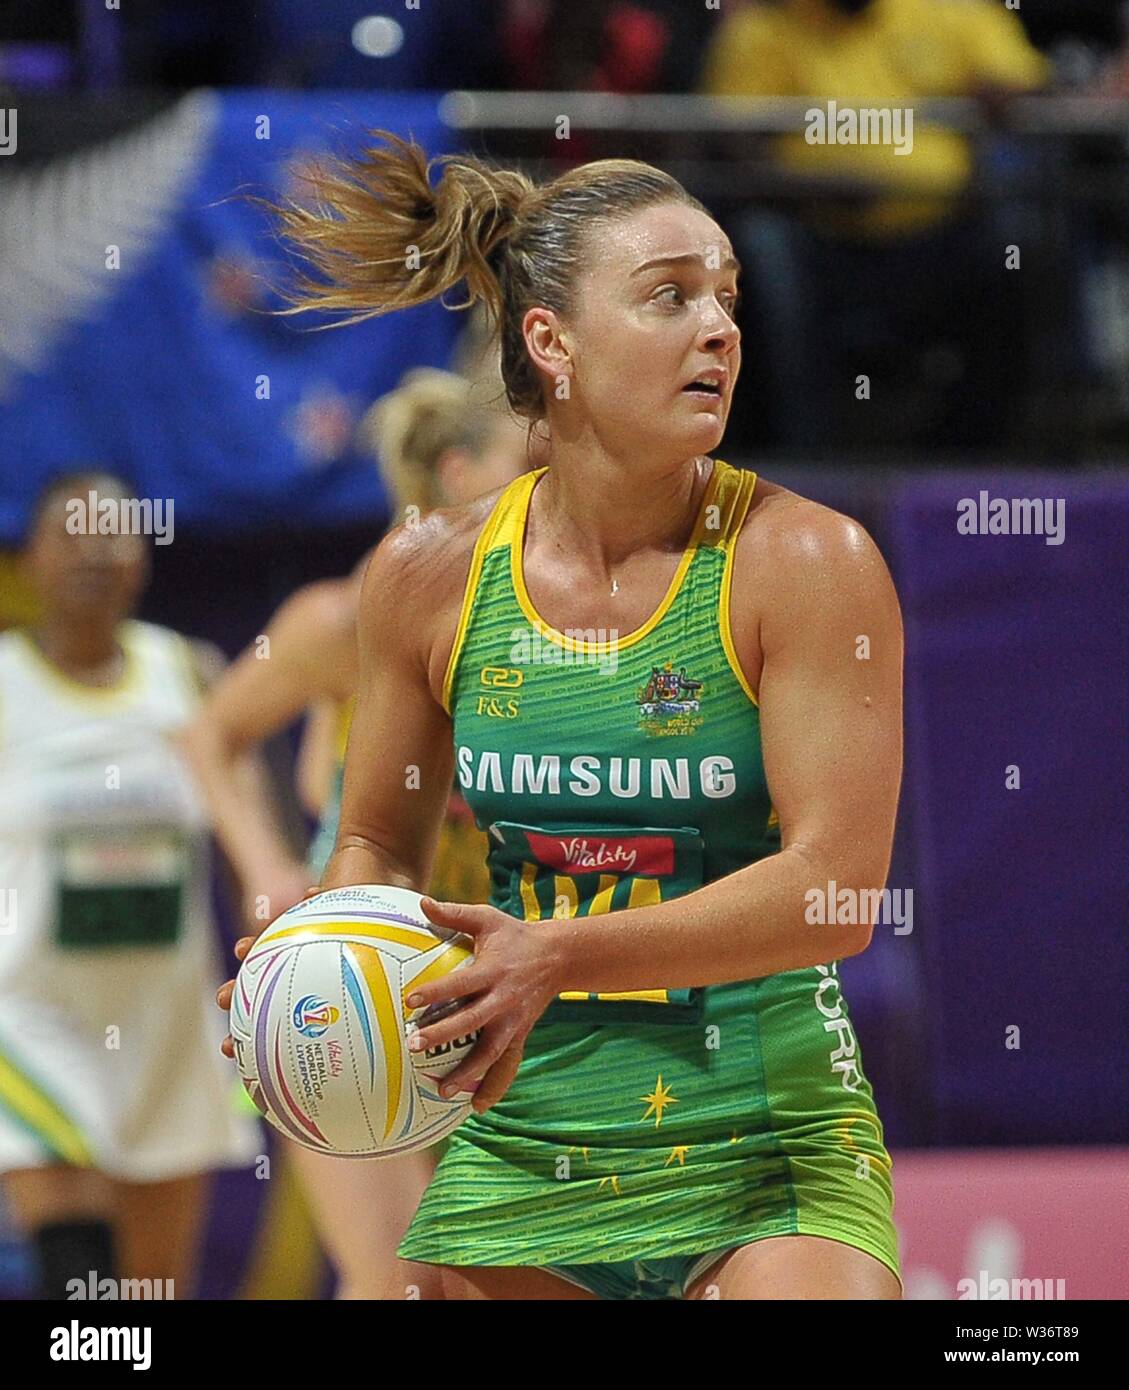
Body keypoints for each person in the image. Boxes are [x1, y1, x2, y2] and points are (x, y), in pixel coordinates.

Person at [221, 131, 905, 1300]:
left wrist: (557, 954)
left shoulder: (807, 560)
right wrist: (313, 958)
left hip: (768, 1132)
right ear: (553, 342)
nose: (720, 328)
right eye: (669, 297)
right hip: (524, 1131)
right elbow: (376, 841)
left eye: (726, 297)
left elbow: (831, 893)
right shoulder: (427, 573)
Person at [181, 366, 535, 1298]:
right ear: (459, 475)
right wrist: (263, 867)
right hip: (345, 990)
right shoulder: (341, 617)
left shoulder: (555, 639)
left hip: (486, 988)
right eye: (529, 464)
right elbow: (211, 733)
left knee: (476, 1285)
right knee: (397, 1285)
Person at [0, 470, 260, 1299]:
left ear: (143, 557)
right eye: (70, 533)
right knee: (77, 1272)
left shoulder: (186, 672)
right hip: (32, 1015)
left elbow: (253, 846)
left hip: (161, 1016)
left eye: (114, 531)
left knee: (151, 1292)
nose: (93, 551)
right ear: (28, 557)